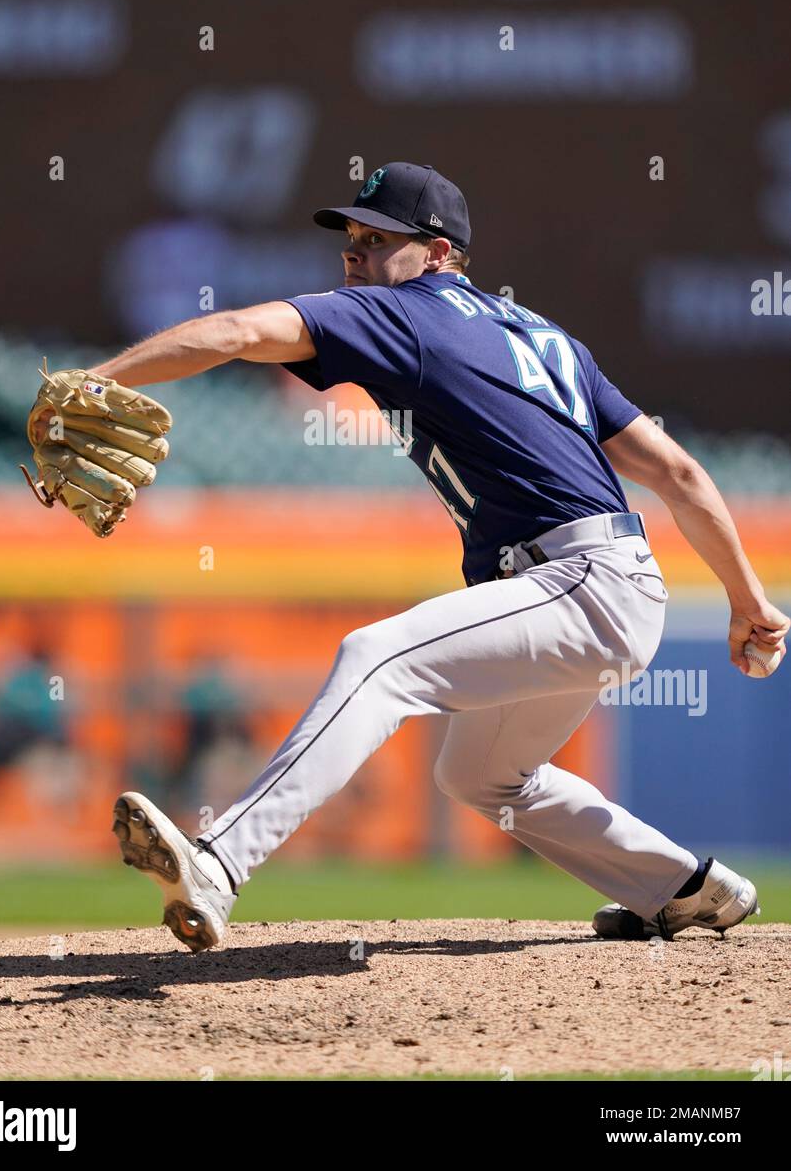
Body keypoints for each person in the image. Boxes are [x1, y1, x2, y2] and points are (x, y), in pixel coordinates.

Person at [102, 162, 788, 953]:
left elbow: (233, 334)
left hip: (579, 583)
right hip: (603, 586)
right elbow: (678, 473)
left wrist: (98, 378)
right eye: (350, 237)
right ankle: (684, 889)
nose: (353, 253)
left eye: (375, 238)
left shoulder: (406, 315)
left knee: (377, 657)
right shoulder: (546, 336)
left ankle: (219, 866)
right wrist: (747, 599)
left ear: (435, 253)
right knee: (483, 779)